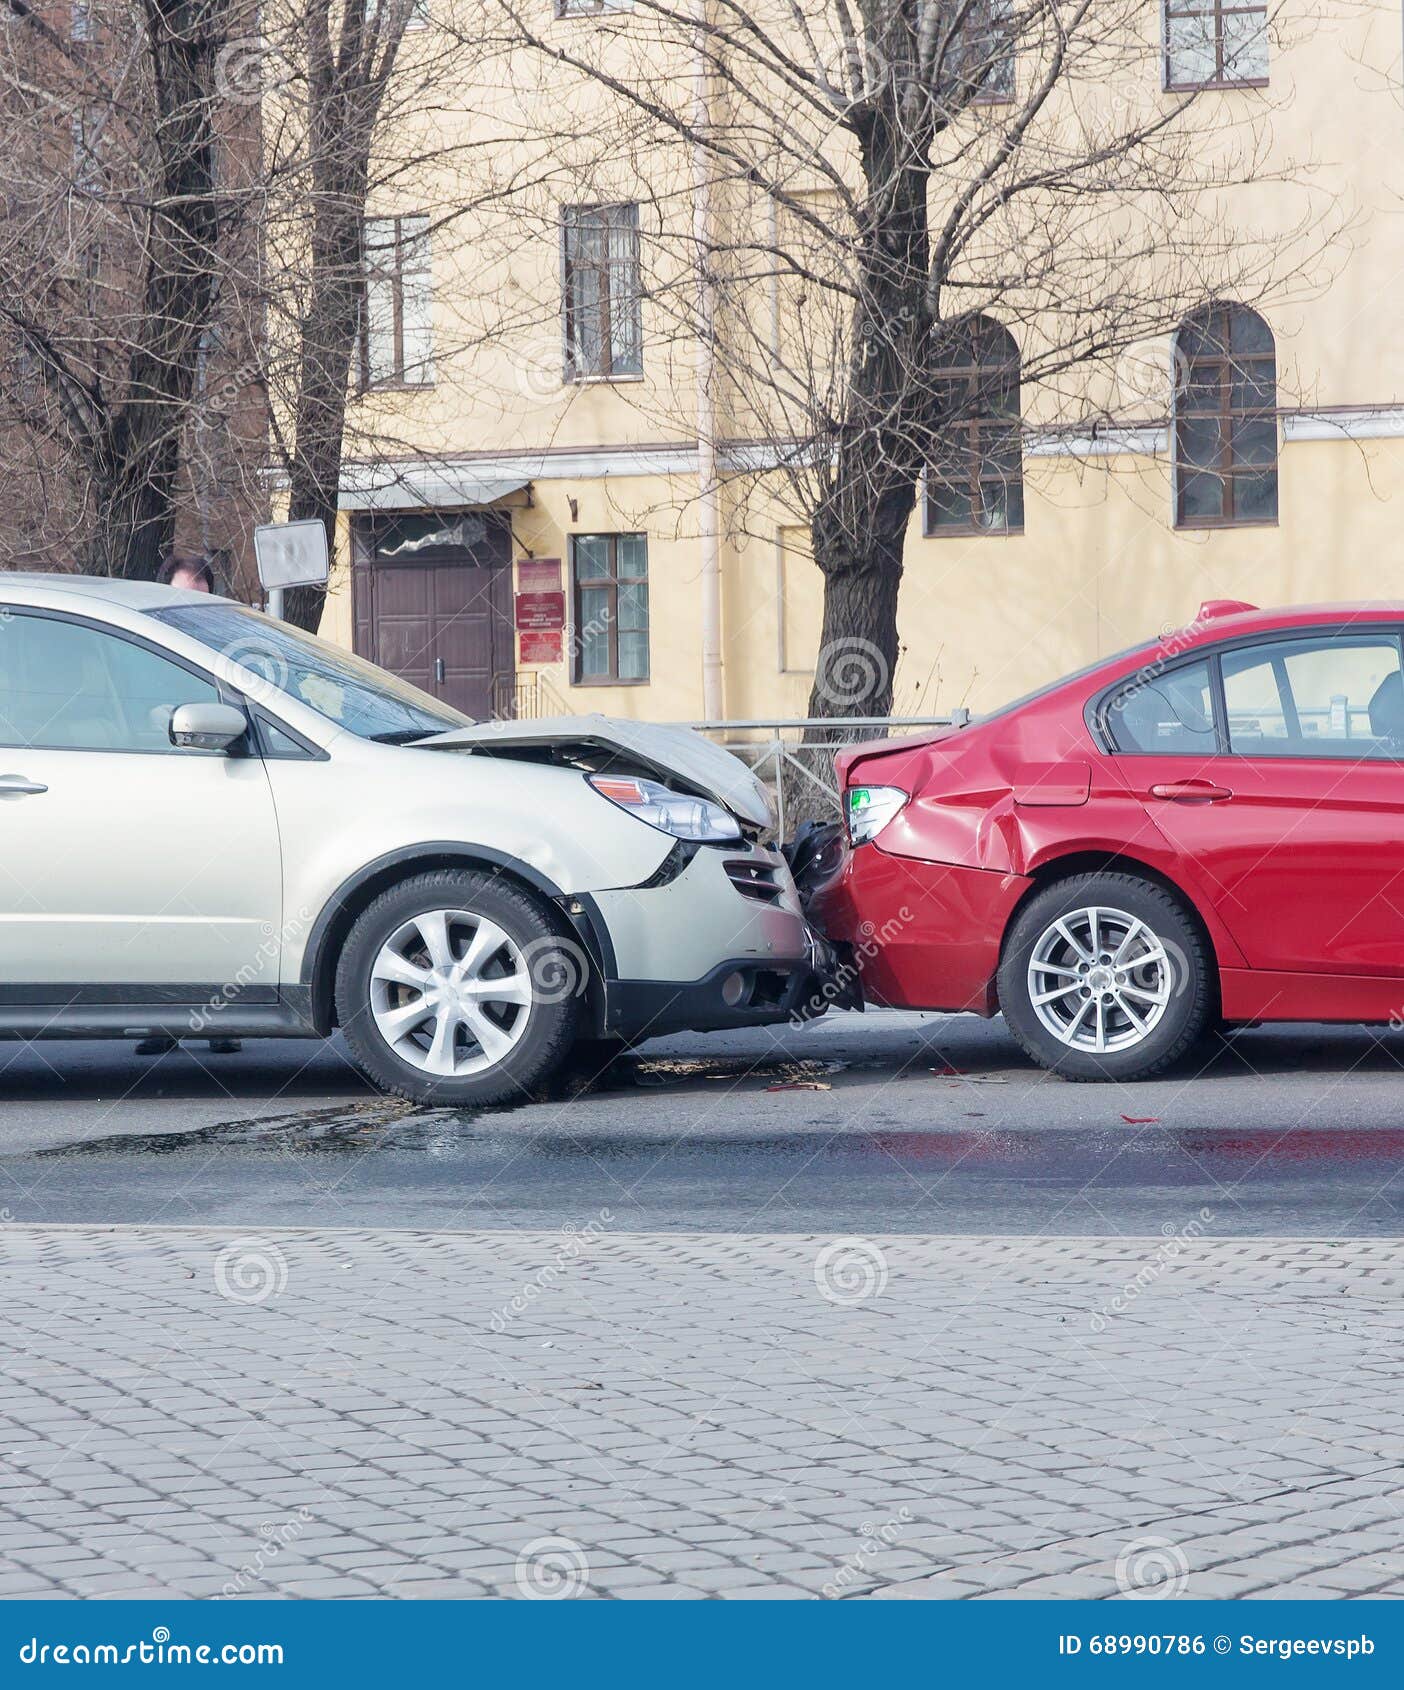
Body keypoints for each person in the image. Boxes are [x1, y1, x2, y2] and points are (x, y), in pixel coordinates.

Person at [135, 552, 243, 1060]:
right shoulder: (142, 647)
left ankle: (225, 1020)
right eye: (183, 597)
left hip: (218, 789)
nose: (191, 609)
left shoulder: (227, 652)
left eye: (201, 598)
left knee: (219, 905)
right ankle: (163, 1020)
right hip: (159, 792)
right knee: (163, 906)